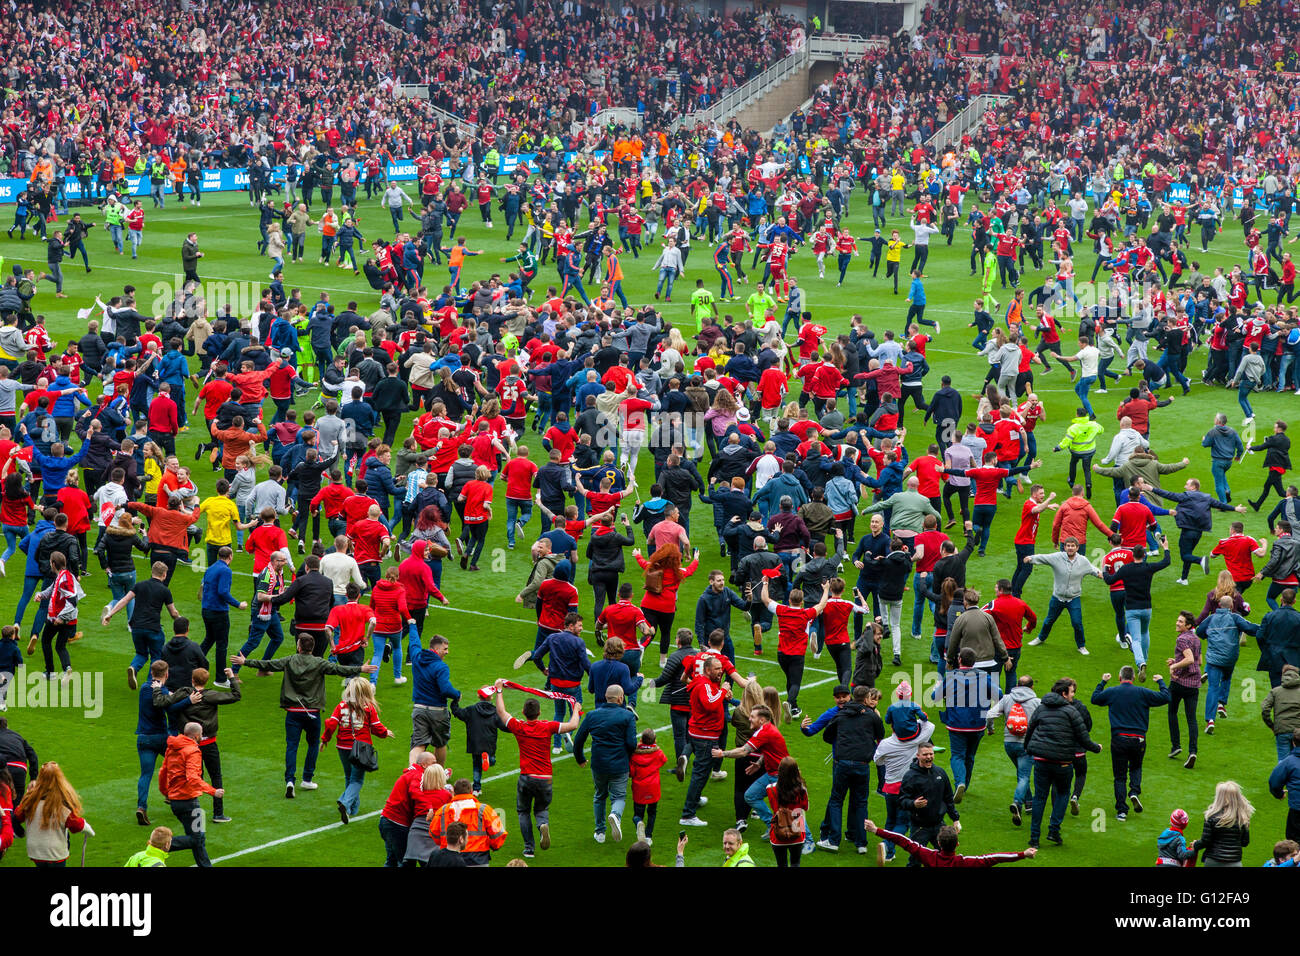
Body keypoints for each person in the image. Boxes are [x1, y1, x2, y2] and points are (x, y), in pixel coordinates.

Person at [232, 634, 375, 797]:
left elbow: (268, 664)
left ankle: (290, 780)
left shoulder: (290, 660)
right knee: (313, 745)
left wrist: (245, 662)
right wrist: (360, 669)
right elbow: (339, 670)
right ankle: (307, 778)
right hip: (313, 712)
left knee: (292, 746)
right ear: (312, 648)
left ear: (299, 646)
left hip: (293, 712)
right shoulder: (319, 663)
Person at [492, 678, 582, 858]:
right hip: (545, 778)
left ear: (524, 712)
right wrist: (576, 710)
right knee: (541, 809)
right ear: (539, 712)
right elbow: (573, 725)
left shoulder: (519, 727)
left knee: (523, 811)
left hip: (526, 777)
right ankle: (542, 826)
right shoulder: (547, 727)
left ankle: (528, 848)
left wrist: (499, 690)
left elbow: (501, 712)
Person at [1023, 678, 1102, 847]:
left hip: (1041, 760)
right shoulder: (1071, 711)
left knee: (1040, 797)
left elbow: (1030, 729)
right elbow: (1083, 737)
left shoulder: (1041, 708)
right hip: (1063, 762)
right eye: (1071, 692)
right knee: (1063, 793)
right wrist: (1097, 748)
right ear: (1064, 694)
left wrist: (1028, 748)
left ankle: (1034, 838)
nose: (1073, 695)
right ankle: (1053, 830)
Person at [803, 684, 882, 854]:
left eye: (844, 696)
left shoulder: (840, 715)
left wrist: (842, 743)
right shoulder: (871, 715)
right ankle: (861, 843)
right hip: (862, 765)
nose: (841, 699)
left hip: (842, 763)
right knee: (860, 802)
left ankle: (834, 839)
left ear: (851, 696)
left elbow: (826, 736)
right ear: (867, 699)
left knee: (837, 800)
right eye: (838, 696)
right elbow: (880, 735)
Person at [1090, 666, 1170, 821]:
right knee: (1136, 767)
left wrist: (1103, 682)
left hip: (1119, 739)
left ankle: (1121, 811)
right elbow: (1166, 697)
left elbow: (1095, 698)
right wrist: (1160, 681)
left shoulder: (1113, 692)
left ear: (1120, 678)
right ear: (1133, 678)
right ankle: (1134, 792)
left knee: (1119, 776)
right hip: (1138, 739)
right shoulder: (1142, 693)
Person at [321, 677, 394, 824]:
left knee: (349, 776)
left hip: (342, 747)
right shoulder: (368, 707)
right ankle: (345, 802)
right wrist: (386, 733)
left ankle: (351, 809)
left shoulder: (341, 706)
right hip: (361, 748)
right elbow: (376, 727)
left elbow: (331, 724)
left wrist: (325, 739)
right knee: (357, 780)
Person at [573, 683, 638, 844]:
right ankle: (615, 815)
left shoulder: (592, 715)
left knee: (600, 795)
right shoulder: (627, 716)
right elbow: (631, 743)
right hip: (619, 764)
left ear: (606, 697)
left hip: (599, 763)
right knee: (619, 796)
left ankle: (600, 832)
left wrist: (580, 759)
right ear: (621, 698)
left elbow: (578, 740)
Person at [157, 722, 222, 867]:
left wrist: (165, 792)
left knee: (197, 839)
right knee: (197, 839)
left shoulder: (172, 747)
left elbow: (163, 772)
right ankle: (159, 845)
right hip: (189, 802)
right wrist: (213, 791)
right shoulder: (192, 751)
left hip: (175, 802)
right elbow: (192, 777)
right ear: (197, 735)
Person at [864, 818, 1036, 867]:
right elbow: (996, 857)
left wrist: (876, 830)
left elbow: (902, 840)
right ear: (957, 844)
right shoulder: (966, 863)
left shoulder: (928, 856)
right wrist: (1023, 854)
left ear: (938, 842)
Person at [14, 762, 92, 867]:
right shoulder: (62, 806)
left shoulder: (30, 802)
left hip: (36, 852)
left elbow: (17, 816)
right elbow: (77, 825)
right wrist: (89, 830)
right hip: (55, 854)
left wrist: (19, 832)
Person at [985, 675, 1039, 826]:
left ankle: (1029, 803)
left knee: (1021, 773)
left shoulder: (1007, 698)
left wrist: (990, 729)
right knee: (1024, 776)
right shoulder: (1036, 702)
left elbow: (990, 714)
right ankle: (1017, 802)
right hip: (1027, 745)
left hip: (1009, 743)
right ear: (1032, 687)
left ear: (1017, 685)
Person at [898, 741, 958, 866]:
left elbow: (948, 798)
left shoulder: (940, 773)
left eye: (931, 754)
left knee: (946, 859)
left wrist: (955, 819)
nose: (929, 757)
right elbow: (902, 801)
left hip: (939, 825)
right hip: (920, 827)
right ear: (918, 756)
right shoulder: (910, 776)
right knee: (915, 861)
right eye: (925, 755)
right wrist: (913, 803)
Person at [427, 778, 508, 867]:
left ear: (454, 792)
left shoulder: (442, 810)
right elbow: (499, 834)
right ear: (471, 791)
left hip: (449, 858)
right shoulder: (484, 810)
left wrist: (445, 842)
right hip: (478, 859)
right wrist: (493, 846)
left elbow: (433, 833)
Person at [1166, 610, 1204, 767]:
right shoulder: (1196, 639)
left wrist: (1174, 665)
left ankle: (1176, 746)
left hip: (1179, 682)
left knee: (1172, 712)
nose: (1177, 623)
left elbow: (1189, 659)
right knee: (1191, 719)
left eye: (1181, 622)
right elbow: (1199, 662)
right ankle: (1193, 752)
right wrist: (1177, 659)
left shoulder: (1181, 639)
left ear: (1188, 625)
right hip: (1194, 684)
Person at [765, 755, 809, 867]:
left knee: (781, 865)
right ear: (796, 772)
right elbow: (806, 808)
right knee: (795, 863)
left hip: (778, 831)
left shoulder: (770, 788)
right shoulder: (802, 789)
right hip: (798, 832)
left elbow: (774, 808)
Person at [1197, 780, 1253, 867]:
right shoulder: (1242, 818)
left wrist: (1195, 845)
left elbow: (1205, 841)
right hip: (1235, 863)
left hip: (1213, 861)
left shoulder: (1211, 816)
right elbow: (1245, 842)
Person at [1262, 664, 1300, 762]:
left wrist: (1271, 725)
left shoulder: (1275, 691)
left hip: (1282, 730)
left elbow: (1265, 709)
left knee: (1282, 762)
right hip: (1298, 730)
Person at [1268, 730, 1300, 843]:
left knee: (1294, 843)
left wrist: (1279, 794)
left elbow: (1274, 782)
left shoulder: (1288, 762)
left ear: (1293, 743)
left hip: (1297, 810)